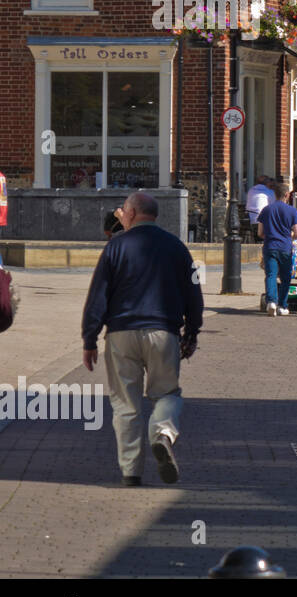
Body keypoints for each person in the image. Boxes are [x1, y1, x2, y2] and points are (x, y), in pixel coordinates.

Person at [81, 192, 202, 486]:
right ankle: (162, 433)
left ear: (132, 213)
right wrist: (192, 332)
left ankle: (131, 472)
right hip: (163, 330)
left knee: (125, 403)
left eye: (124, 211)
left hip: (121, 332)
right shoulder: (176, 247)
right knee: (167, 394)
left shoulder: (116, 246)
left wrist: (90, 338)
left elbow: (99, 294)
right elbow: (193, 294)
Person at [257, 182, 297, 317]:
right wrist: (289, 236)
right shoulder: (292, 211)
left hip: (270, 246)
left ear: (275, 194)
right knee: (285, 277)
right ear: (287, 195)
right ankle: (282, 305)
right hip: (285, 247)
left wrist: (271, 236)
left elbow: (260, 233)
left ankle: (271, 302)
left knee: (270, 275)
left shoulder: (266, 210)